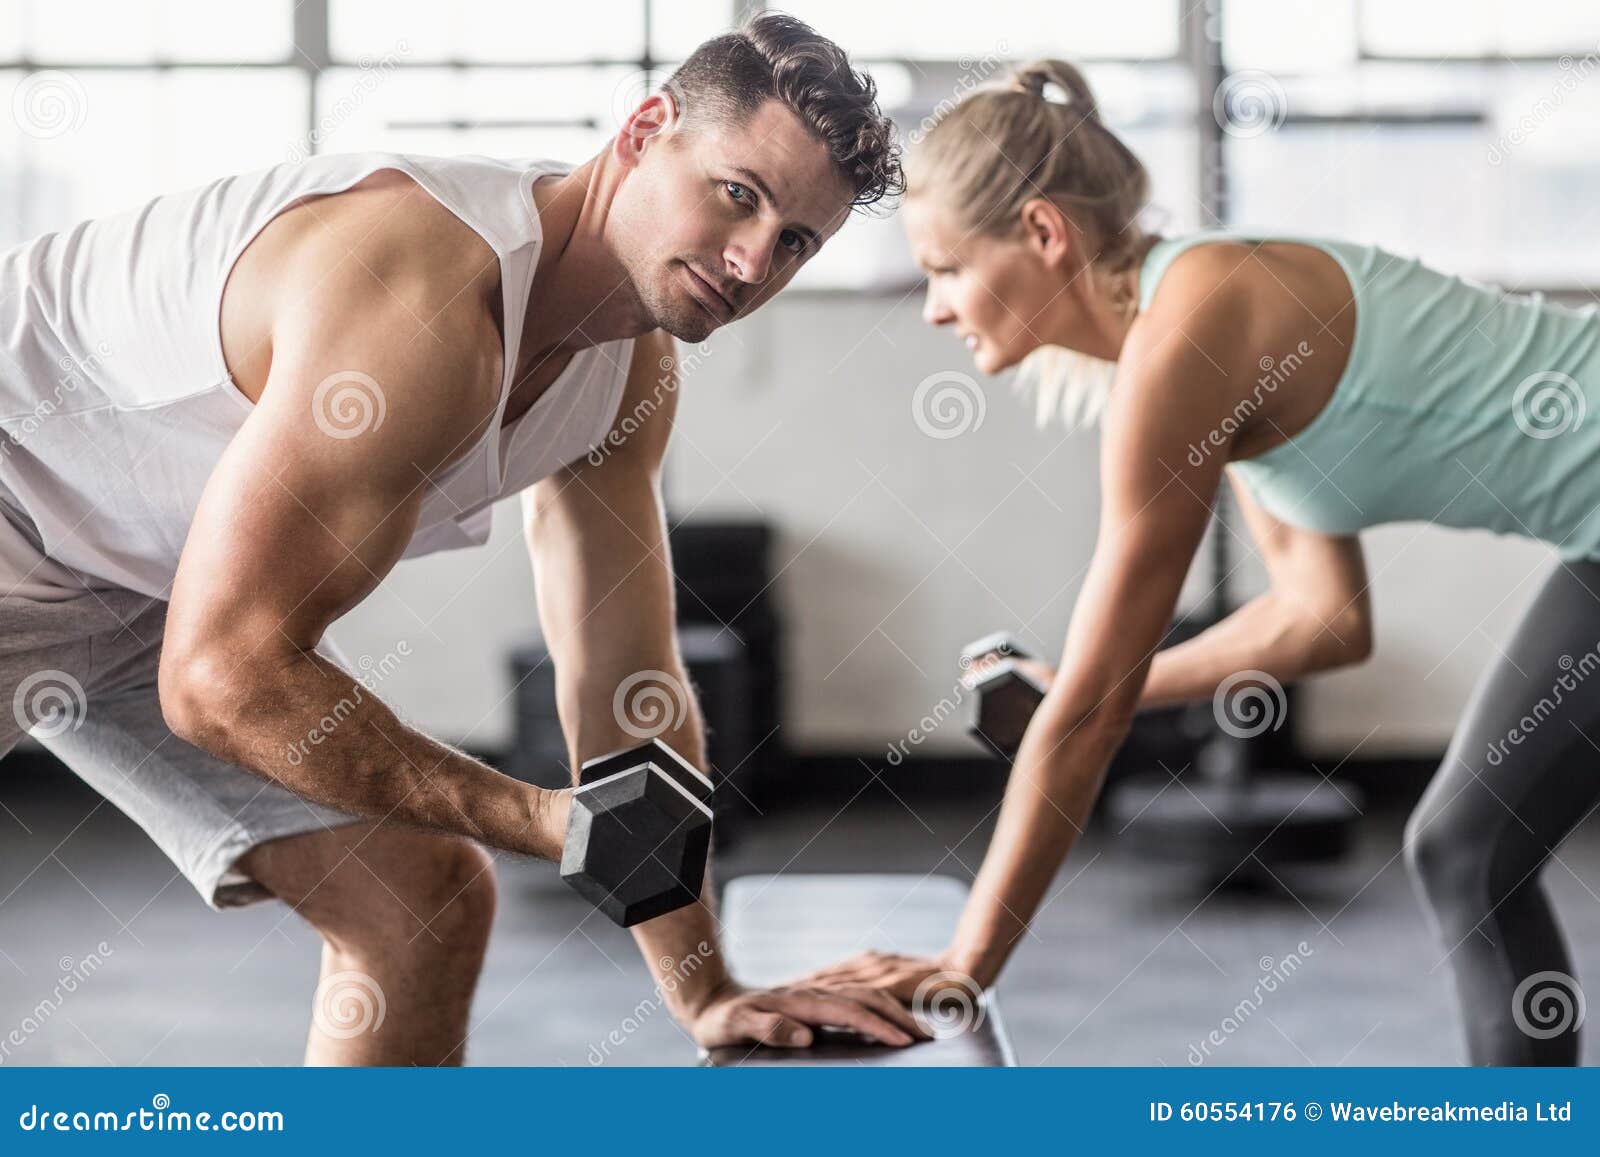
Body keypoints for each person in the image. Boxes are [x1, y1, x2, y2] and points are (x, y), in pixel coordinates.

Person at [0, 13, 926, 1063]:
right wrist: (549, 821)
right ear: (645, 128)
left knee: (420, 906)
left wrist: (704, 985)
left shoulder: (626, 375)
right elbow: (224, 678)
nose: (754, 259)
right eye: (737, 194)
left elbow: (624, 684)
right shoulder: (421, 296)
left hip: (149, 576)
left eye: (795, 240)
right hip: (17, 503)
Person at [798, 58, 1600, 1066]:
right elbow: (1318, 618)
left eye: (946, 268)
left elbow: (1089, 716)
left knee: (1467, 849)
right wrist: (1062, 690)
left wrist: (966, 962)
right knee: (1465, 848)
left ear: (1043, 234)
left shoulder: (1195, 325)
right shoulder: (1195, 330)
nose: (934, 307)